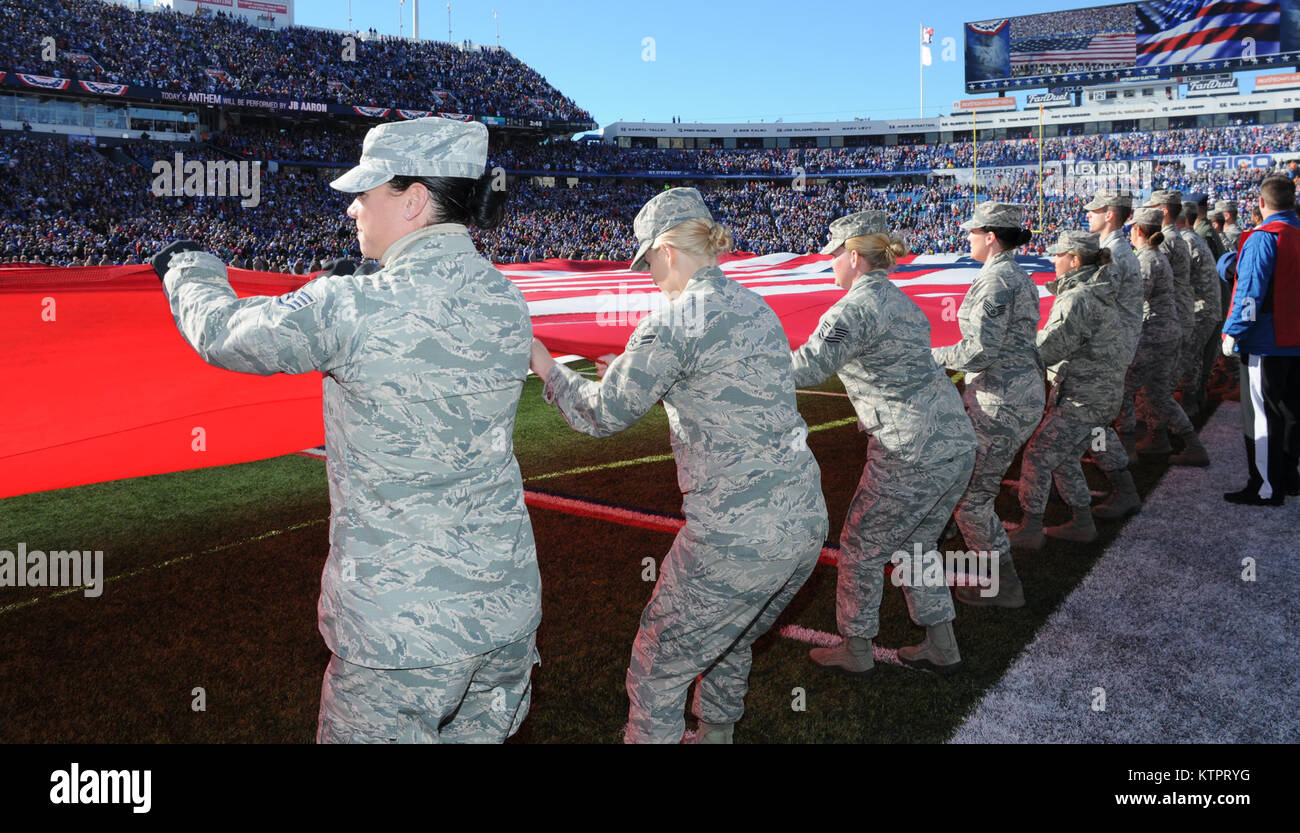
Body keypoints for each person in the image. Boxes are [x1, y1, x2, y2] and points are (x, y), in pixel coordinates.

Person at [151, 117, 542, 743]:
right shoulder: (504, 297)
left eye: (367, 192)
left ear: (413, 200)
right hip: (506, 611)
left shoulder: (350, 305)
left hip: (401, 629)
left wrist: (187, 272)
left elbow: (224, 335)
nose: (354, 208)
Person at [530, 187, 827, 744]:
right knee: (730, 639)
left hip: (735, 534)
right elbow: (718, 383)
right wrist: (628, 368)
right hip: (802, 521)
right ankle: (715, 734)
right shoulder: (754, 305)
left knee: (657, 667)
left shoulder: (672, 318)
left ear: (666, 250)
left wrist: (546, 367)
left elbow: (601, 415)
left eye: (647, 263)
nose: (649, 277)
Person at [790, 211, 976, 674]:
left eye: (834, 255)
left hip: (910, 449)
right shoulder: (901, 302)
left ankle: (855, 650)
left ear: (854, 257)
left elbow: (807, 368)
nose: (829, 263)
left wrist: (734, 363)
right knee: (917, 547)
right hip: (952, 441)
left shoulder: (854, 308)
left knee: (860, 546)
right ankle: (943, 645)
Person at [931, 202, 1043, 609]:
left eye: (973, 232)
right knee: (969, 481)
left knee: (972, 498)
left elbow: (977, 352)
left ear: (990, 236)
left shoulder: (997, 281)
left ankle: (1004, 584)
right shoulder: (1016, 274)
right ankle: (939, 535)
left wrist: (930, 357)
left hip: (1002, 400)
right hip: (1015, 393)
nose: (969, 238)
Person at [1006, 231, 1126, 548]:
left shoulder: (1077, 298)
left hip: (1084, 398)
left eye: (1059, 255)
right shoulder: (1095, 291)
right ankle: (1083, 521)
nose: (1053, 260)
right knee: (1065, 455)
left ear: (1074, 260)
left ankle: (1031, 528)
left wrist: (1006, 354)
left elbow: (1048, 349)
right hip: (1098, 392)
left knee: (1038, 454)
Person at [1219, 175, 1300, 505]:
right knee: (1293, 411)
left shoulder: (1264, 237)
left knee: (1263, 415)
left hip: (1268, 341)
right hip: (1294, 340)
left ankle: (1266, 486)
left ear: (1262, 203)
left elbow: (1250, 293)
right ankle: (1289, 476)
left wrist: (1233, 331)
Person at [1121, 209, 1205, 466]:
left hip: (1152, 336)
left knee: (1122, 392)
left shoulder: (1146, 260)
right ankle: (1191, 445)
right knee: (1158, 394)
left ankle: (1126, 452)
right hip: (1167, 333)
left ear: (1138, 231)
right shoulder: (1155, 256)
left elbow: (1135, 301)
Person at [1084, 189, 1145, 519]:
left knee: (1093, 422)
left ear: (1110, 215)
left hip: (1107, 351)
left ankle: (1124, 490)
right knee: (1092, 422)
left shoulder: (1112, 254)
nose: (1088, 214)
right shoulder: (1116, 249)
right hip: (1114, 347)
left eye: (1095, 210)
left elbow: (1093, 306)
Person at [1178, 200, 1223, 421]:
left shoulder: (1186, 241)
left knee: (1188, 361)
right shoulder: (1194, 237)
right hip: (1207, 308)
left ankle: (1189, 414)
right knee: (1196, 362)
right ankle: (1195, 406)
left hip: (1199, 310)